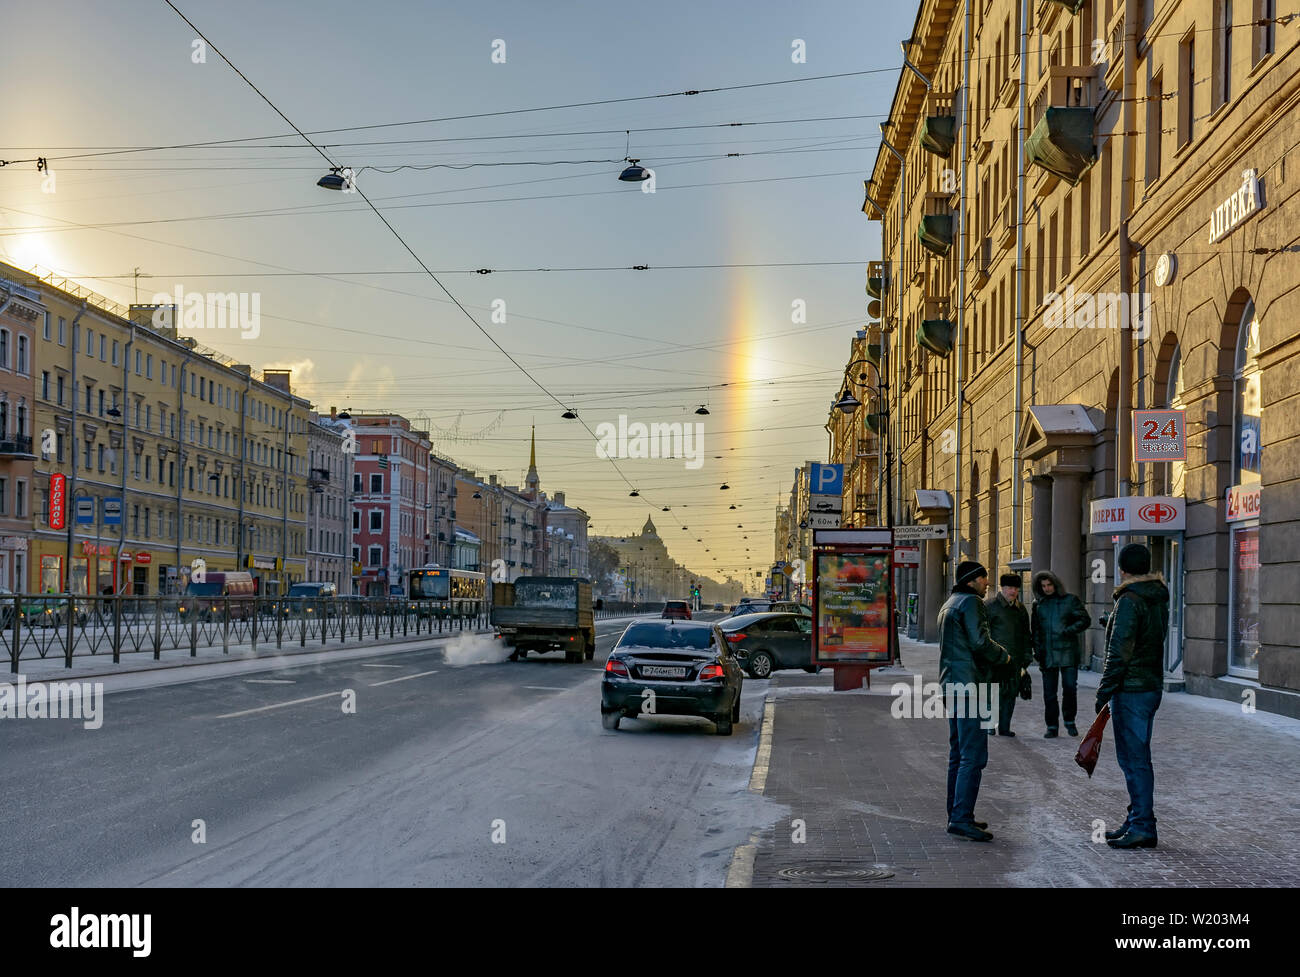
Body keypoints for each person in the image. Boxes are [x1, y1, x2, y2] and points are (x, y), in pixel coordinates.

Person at [1096, 543, 1169, 849]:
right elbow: (1147, 638)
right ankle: (1137, 819)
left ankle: (1142, 825)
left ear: (1124, 569)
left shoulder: (1129, 599)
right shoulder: (1156, 597)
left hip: (1131, 689)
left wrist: (1104, 690)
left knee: (1133, 759)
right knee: (1137, 758)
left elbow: (1119, 653)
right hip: (1150, 686)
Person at [938, 561, 1011, 842]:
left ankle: (958, 814)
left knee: (958, 755)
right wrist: (1004, 656)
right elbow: (980, 643)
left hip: (953, 686)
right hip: (972, 688)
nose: (987, 584)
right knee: (974, 756)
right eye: (984, 578)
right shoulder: (971, 603)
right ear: (971, 581)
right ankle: (960, 818)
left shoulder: (950, 602)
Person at [1030, 570, 1091, 737]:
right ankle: (1052, 726)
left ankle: (1069, 721)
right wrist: (1037, 650)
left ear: (1055, 584)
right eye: (1043, 586)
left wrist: (1068, 631)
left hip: (1068, 652)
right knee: (1049, 693)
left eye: (1049, 585)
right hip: (1047, 654)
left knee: (1070, 689)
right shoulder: (1039, 604)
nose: (1047, 588)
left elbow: (1085, 620)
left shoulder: (1070, 601)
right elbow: (1035, 630)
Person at [985, 573, 1031, 736]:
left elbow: (1026, 634)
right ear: (1002, 588)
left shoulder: (1021, 609)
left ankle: (1004, 728)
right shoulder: (989, 606)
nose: (1013, 591)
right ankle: (989, 725)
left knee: (1010, 694)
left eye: (1016, 588)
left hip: (1015, 660)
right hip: (995, 659)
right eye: (1010, 587)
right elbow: (984, 634)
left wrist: (1027, 657)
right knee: (992, 693)